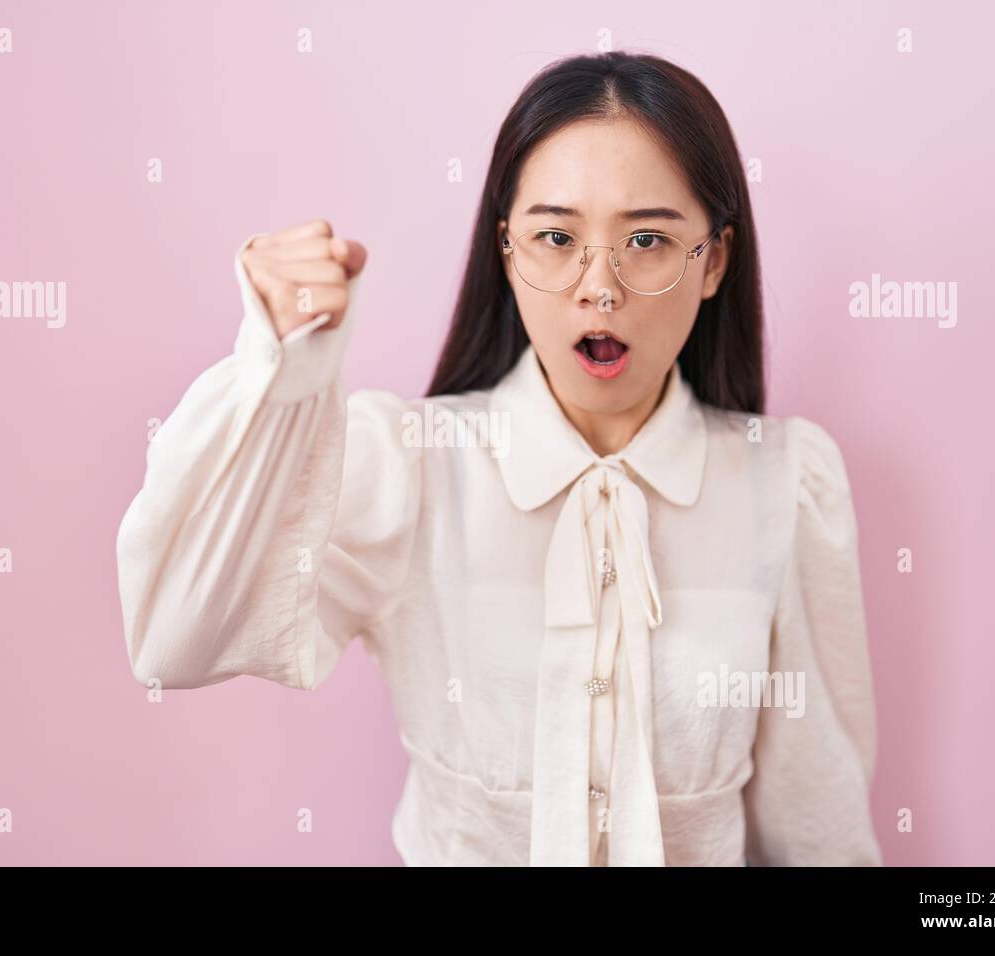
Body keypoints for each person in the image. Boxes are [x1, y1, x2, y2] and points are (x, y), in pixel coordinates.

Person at [115, 50, 882, 867]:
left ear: (714, 261)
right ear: (508, 250)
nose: (600, 287)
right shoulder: (409, 467)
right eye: (556, 236)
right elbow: (177, 642)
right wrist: (278, 375)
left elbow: (816, 825)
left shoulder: (783, 483)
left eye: (648, 240)